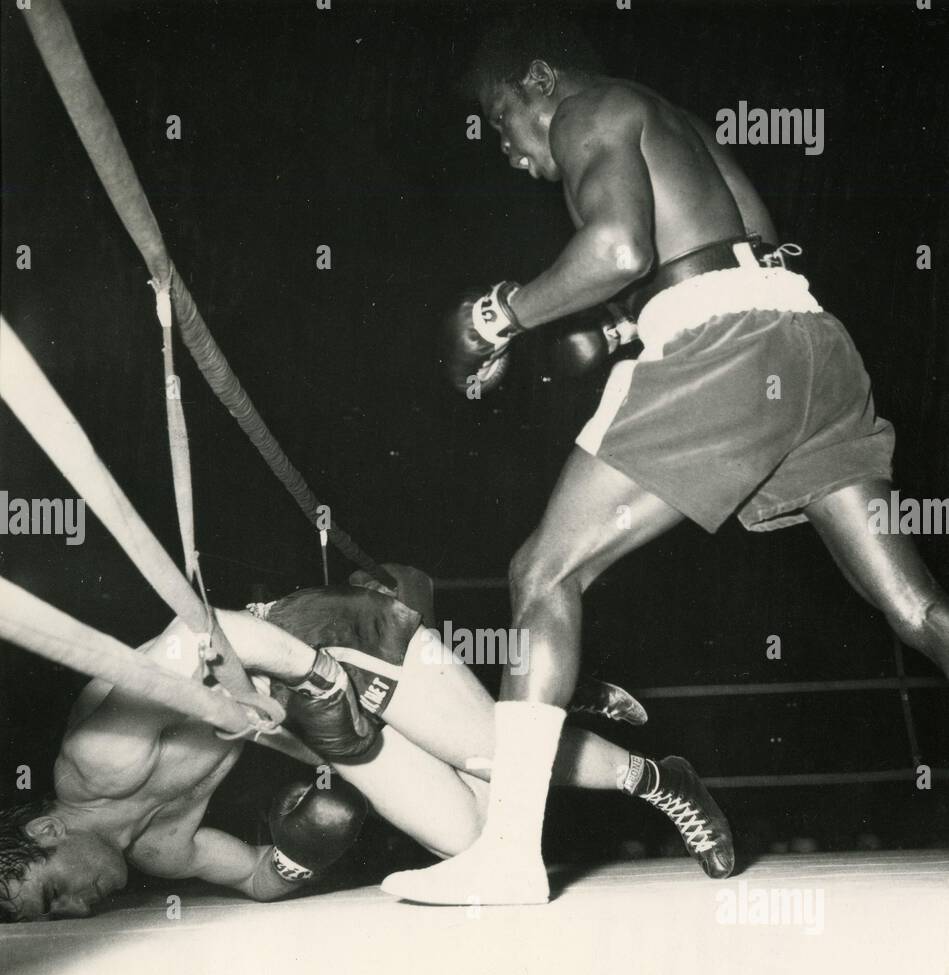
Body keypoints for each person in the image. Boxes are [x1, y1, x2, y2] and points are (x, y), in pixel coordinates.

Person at [380, 12, 949, 906]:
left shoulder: (588, 109)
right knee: (916, 607)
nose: (505, 149)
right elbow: (744, 245)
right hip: (812, 345)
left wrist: (497, 317)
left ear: (539, 80)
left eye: (500, 120)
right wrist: (610, 328)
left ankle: (509, 853)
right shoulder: (671, 124)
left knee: (543, 571)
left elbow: (617, 249)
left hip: (724, 347)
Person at [0, 581, 733, 922]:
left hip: (304, 642)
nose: (76, 909)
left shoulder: (97, 757)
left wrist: (316, 676)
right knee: (479, 840)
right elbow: (254, 876)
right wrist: (302, 850)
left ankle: (660, 781)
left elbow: (202, 634)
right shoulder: (160, 852)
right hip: (302, 722)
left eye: (52, 892)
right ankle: (543, 705)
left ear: (45, 829)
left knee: (493, 758)